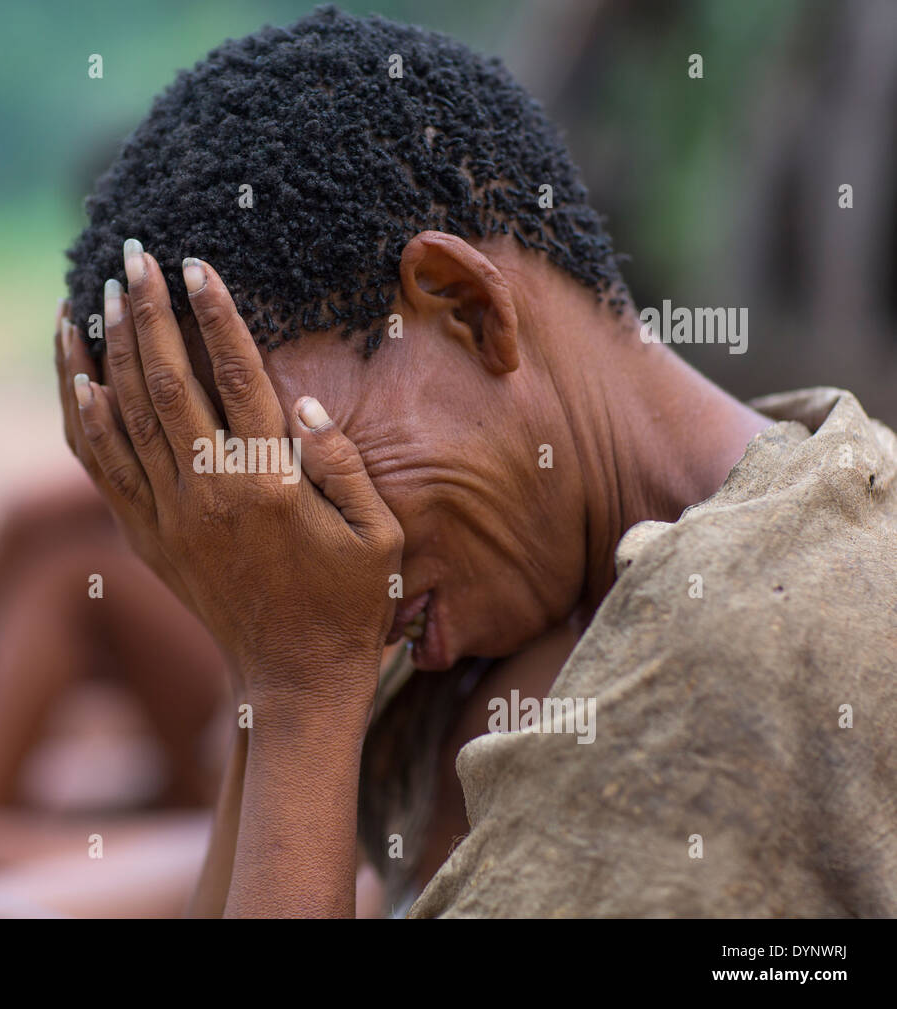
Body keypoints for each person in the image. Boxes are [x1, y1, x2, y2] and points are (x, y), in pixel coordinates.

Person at [54, 7, 897, 917]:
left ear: (465, 308)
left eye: (294, 473)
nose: (284, 536)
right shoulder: (506, 605)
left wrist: (297, 686)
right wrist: (261, 652)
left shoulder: (733, 651)